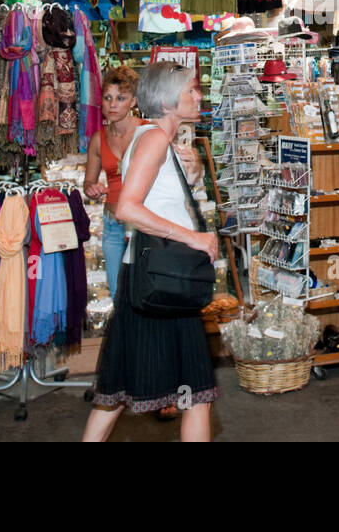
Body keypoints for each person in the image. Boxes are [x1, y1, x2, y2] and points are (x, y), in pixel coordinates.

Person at [82, 61, 219, 442]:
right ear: (167, 99)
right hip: (159, 279)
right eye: (190, 90)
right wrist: (192, 238)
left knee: (123, 390)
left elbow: (153, 199)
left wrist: (188, 178)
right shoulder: (154, 139)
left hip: (154, 278)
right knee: (192, 391)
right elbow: (127, 207)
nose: (198, 95)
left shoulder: (156, 138)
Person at [83, 67, 143, 301]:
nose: (113, 105)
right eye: (108, 98)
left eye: (121, 98)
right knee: (118, 293)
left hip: (143, 223)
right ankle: (126, 338)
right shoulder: (99, 139)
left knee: (142, 289)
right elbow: (89, 181)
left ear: (133, 101)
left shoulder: (147, 132)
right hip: (112, 225)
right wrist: (92, 188)